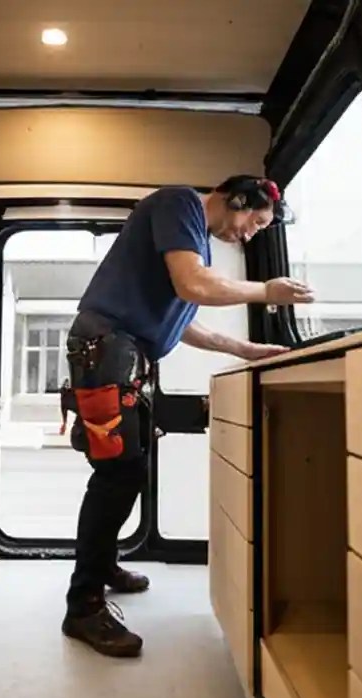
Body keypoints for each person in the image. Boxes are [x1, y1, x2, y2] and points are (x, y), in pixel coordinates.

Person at [59, 175, 314, 657]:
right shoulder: (179, 205)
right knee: (117, 474)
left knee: (128, 468)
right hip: (107, 347)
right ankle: (83, 606)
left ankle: (102, 564)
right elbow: (193, 285)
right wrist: (265, 291)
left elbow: (183, 314)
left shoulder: (195, 244)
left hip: (123, 352)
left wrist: (242, 348)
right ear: (237, 199)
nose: (250, 234)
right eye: (254, 222)